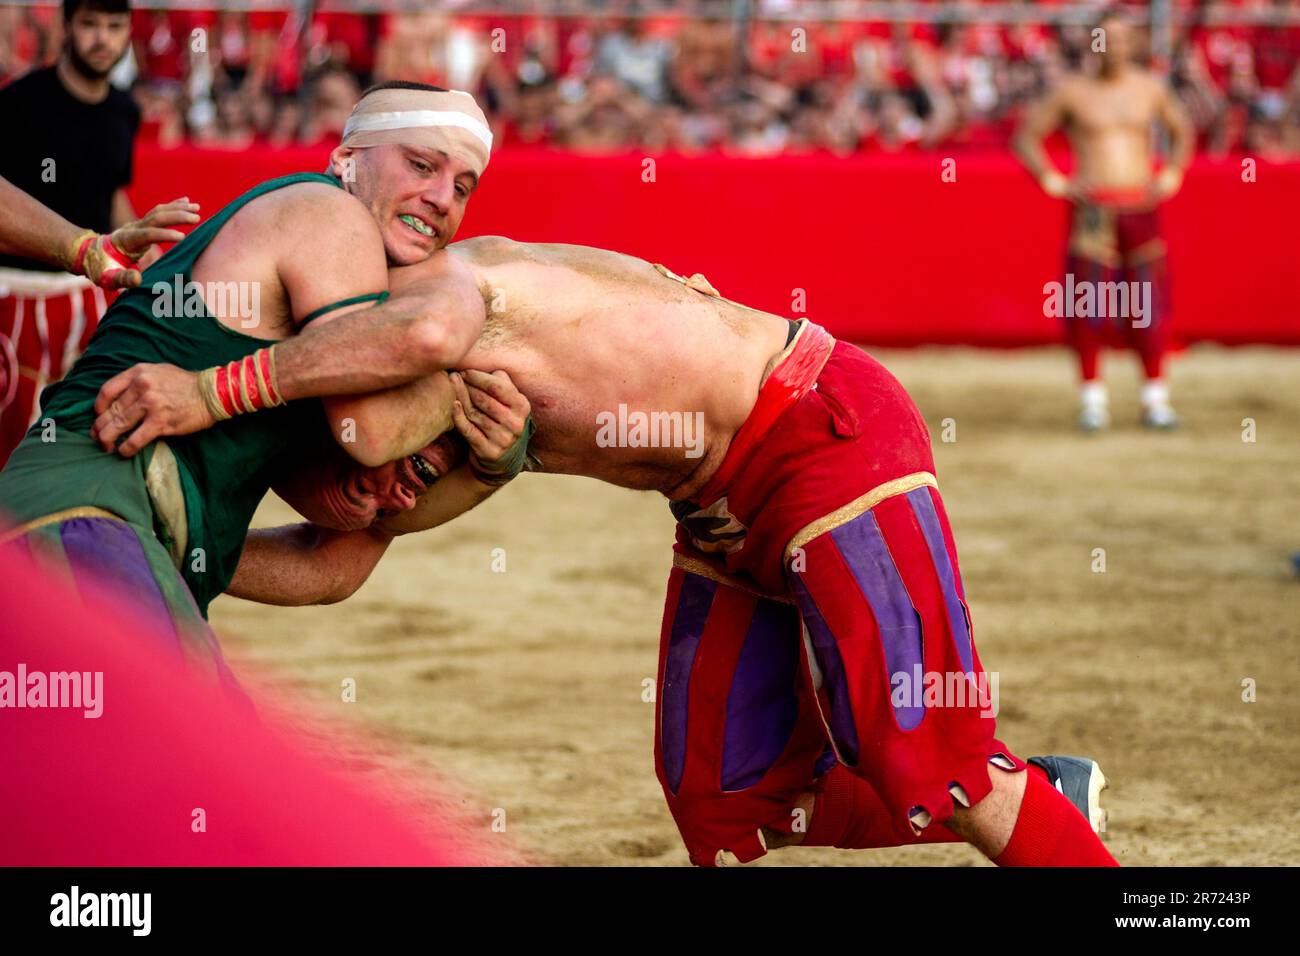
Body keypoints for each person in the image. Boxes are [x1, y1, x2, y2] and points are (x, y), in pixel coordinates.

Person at [98, 237, 1118, 868]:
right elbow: (343, 560)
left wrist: (213, 393)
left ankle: (1021, 811)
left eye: (366, 467)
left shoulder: (438, 303)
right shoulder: (433, 411)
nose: (382, 490)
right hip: (718, 502)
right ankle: (1035, 795)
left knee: (919, 745)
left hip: (819, 430)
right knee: (725, 794)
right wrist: (171, 548)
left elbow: (388, 385)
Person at [0, 83, 526, 682]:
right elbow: (380, 425)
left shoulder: (349, 318)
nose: (440, 199)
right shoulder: (330, 213)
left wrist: (494, 462)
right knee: (197, 764)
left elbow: (330, 568)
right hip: (83, 515)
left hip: (103, 531)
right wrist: (470, 376)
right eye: (421, 164)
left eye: (462, 187)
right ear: (346, 159)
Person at [1014, 7, 1194, 431]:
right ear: (1094, 42)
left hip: (1139, 206)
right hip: (1092, 210)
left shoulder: (1149, 89)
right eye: (1105, 37)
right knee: (1087, 306)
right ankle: (1092, 400)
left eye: (1121, 37)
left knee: (1148, 306)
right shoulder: (1073, 92)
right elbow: (1026, 136)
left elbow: (1182, 129)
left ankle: (1154, 399)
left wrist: (1172, 172)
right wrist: (1052, 180)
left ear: (1133, 42)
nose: (1113, 46)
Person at [0, 0, 151, 464]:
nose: (102, 38)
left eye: (114, 25)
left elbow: (110, 196)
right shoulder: (18, 103)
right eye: (89, 24)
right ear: (66, 25)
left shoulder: (125, 111)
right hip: (17, 298)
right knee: (10, 441)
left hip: (93, 294)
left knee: (79, 440)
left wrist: (152, 251)